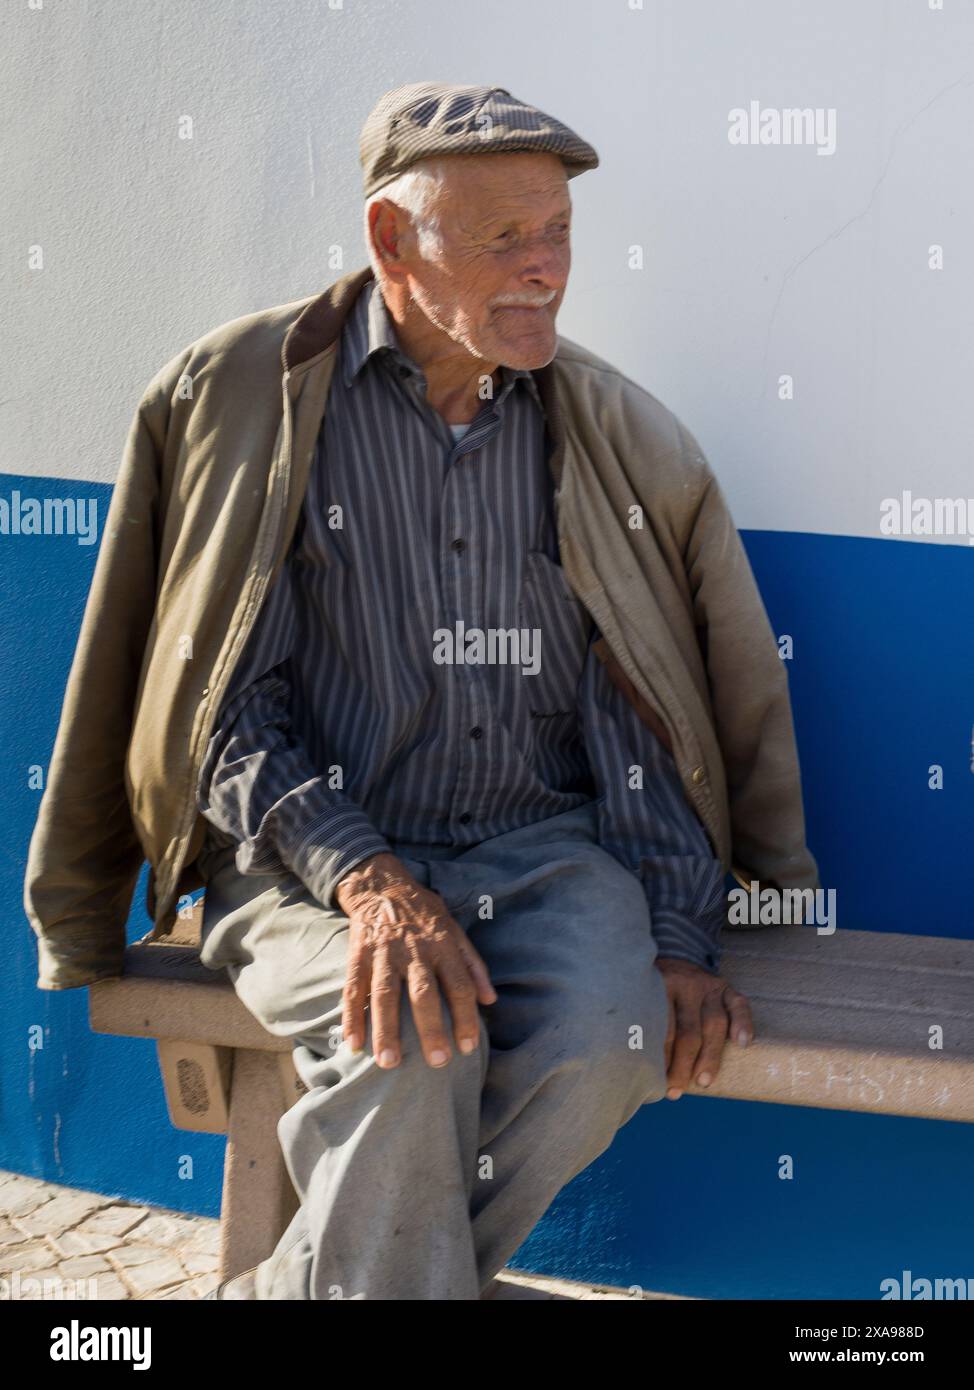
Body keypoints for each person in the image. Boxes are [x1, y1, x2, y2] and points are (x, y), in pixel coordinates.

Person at [24, 82, 819, 1301]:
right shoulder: (258, 399)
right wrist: (370, 878)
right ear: (392, 241)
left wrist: (672, 928)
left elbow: (636, 701)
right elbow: (222, 709)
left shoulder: (598, 429)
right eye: (504, 239)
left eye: (556, 232)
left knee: (613, 1043)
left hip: (541, 848)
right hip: (305, 862)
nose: (545, 270)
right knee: (402, 1049)